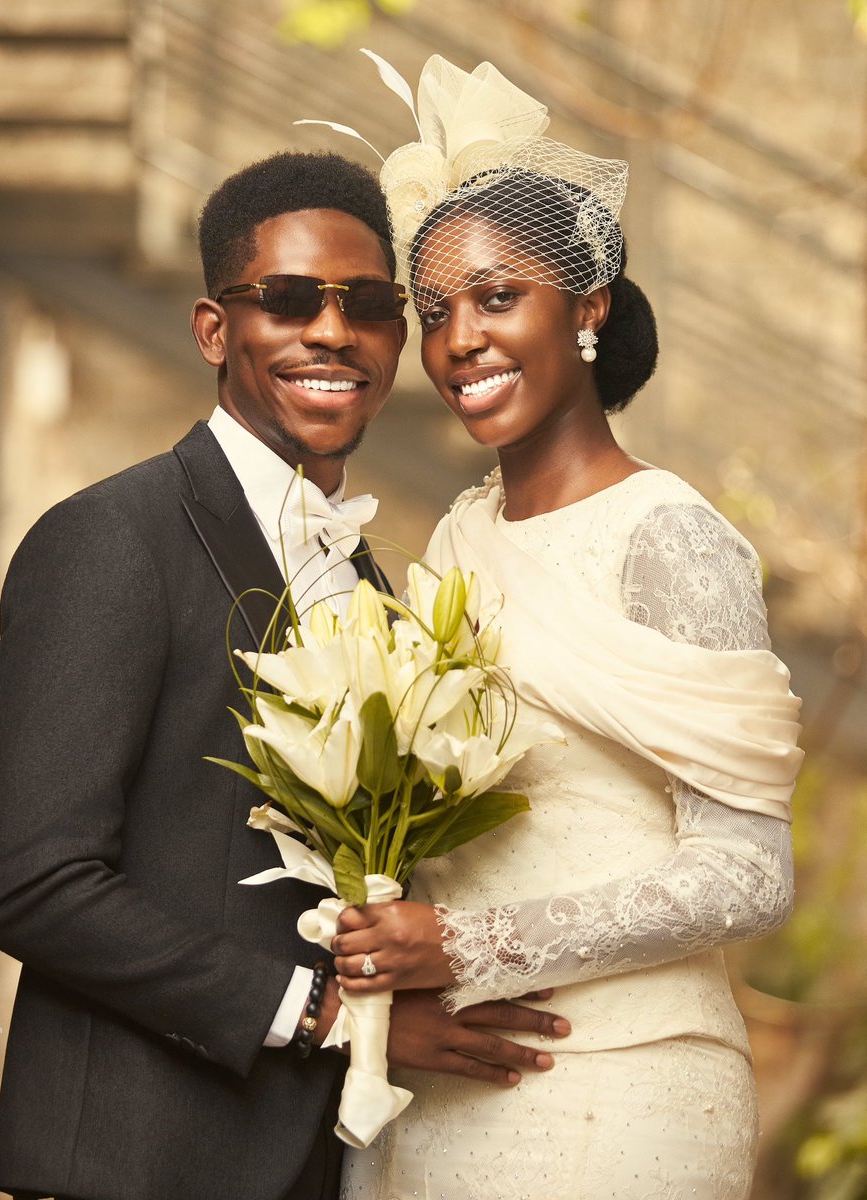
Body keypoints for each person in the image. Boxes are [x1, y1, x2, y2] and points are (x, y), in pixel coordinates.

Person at [0, 149, 571, 1200]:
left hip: (315, 1160)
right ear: (215, 329)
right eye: (289, 299)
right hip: (139, 1165)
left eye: (370, 305)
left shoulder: (372, 578)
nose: (333, 332)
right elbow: (33, 883)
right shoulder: (113, 538)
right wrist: (332, 1014)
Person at [328, 58, 804, 1199]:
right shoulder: (457, 540)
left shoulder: (670, 535)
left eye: (498, 297)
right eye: (435, 313)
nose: (459, 340)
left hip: (628, 1083)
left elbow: (748, 874)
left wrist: (471, 948)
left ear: (587, 306)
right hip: (439, 1077)